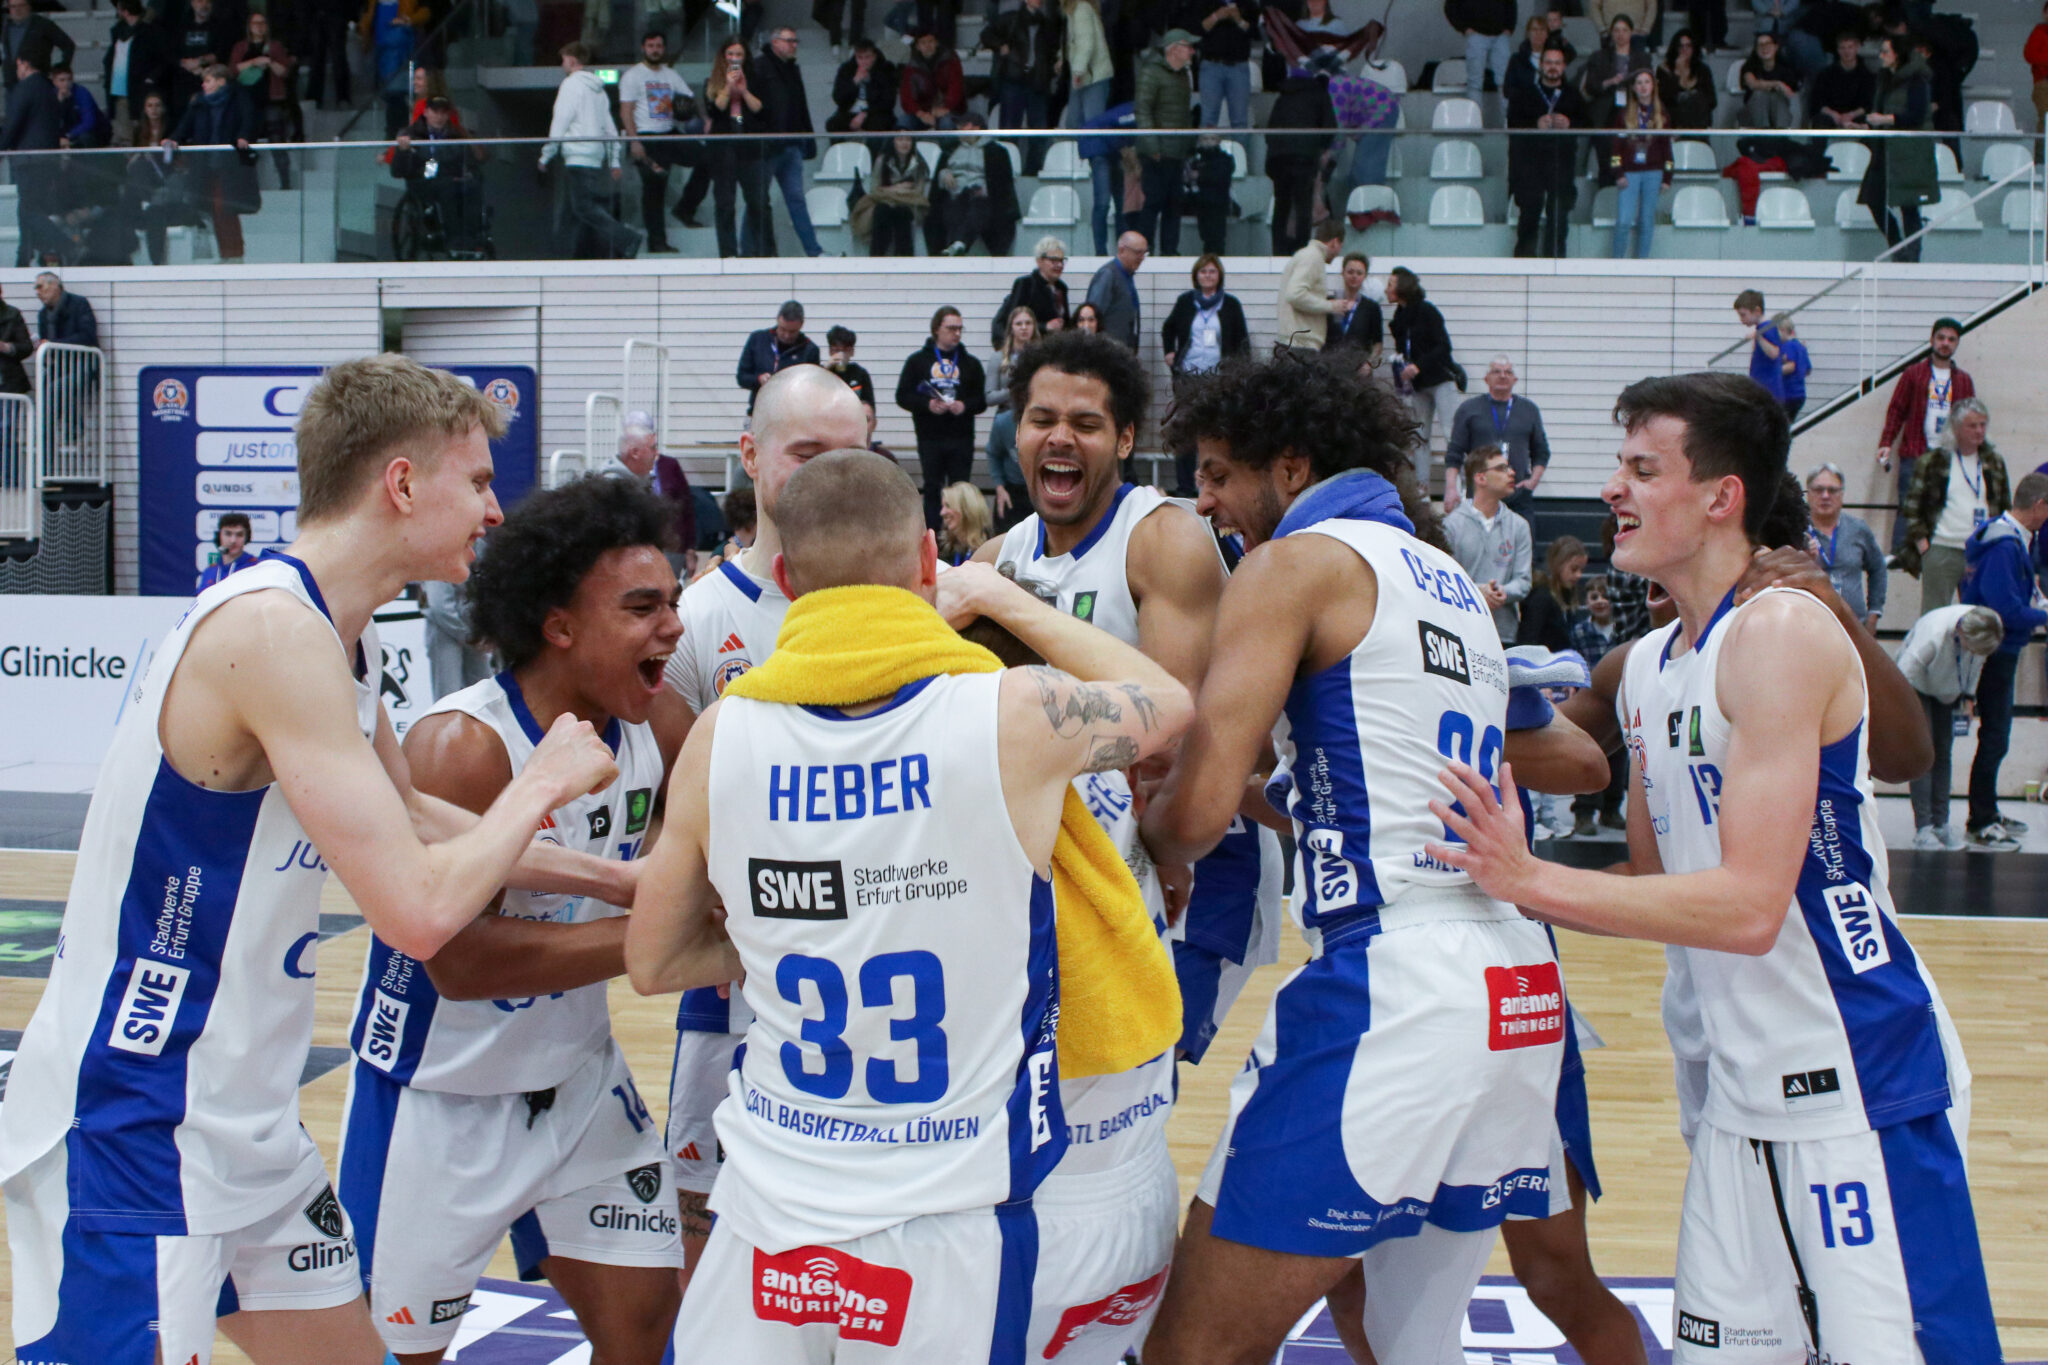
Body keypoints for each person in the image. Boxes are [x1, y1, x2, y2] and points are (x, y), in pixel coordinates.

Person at [0, 354, 626, 1365]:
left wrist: (622, 882)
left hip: (244, 1126)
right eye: (475, 481)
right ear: (401, 484)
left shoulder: (339, 635)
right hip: (138, 1123)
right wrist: (539, 782)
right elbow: (418, 915)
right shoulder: (271, 632)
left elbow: (415, 817)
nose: (495, 510)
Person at [1436, 369, 1996, 1365]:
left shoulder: (1779, 630)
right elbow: (1661, 897)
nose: (1611, 488)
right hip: (1739, 1091)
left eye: (1640, 468)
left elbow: (1744, 907)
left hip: (1855, 1082)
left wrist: (1523, 877)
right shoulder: (1649, 665)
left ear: (1720, 496)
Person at [628, 445, 1192, 1362]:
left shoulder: (723, 735)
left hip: (770, 1202)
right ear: (928, 561)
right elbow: (1167, 702)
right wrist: (1005, 598)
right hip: (950, 1218)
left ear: (783, 577)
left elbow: (650, 962)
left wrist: (790, 937)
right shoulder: (1010, 715)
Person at [1137, 349, 1563, 1364]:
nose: (1207, 504)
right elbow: (1370, 795)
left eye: (1216, 475)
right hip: (1513, 983)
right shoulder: (1449, 578)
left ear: (1288, 469)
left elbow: (1193, 817)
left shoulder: (1294, 564)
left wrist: (1138, 830)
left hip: (1391, 988)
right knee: (1398, 1339)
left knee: (1189, 1351)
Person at [337, 475, 705, 1365]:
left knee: (651, 1322)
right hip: (438, 1101)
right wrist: (659, 933)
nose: (673, 629)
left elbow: (685, 867)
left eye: (676, 601)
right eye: (644, 607)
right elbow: (459, 963)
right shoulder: (462, 747)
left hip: (581, 1087)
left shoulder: (659, 720)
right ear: (559, 626)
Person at [646, 366, 871, 1289]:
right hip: (733, 979)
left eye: (851, 457)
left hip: (874, 964)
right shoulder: (697, 619)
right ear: (750, 456)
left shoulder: (903, 607)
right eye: (806, 454)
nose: (827, 478)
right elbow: (669, 824)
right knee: (704, 1221)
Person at [1955, 471, 2048, 853]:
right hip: (1995, 653)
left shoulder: (1998, 534)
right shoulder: (2006, 547)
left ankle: (1988, 811)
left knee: (1995, 735)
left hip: (1995, 651)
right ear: (2039, 505)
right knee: (1994, 736)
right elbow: (2004, 609)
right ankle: (1980, 820)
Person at [1898, 603, 2001, 850]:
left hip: (1948, 689)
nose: (1975, 653)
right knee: (1924, 755)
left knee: (1943, 753)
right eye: (1971, 648)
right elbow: (1903, 674)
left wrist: (1968, 696)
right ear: (1962, 635)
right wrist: (1906, 714)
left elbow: (1977, 664)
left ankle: (1941, 824)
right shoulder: (1933, 635)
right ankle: (1923, 828)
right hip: (1916, 686)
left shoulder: (1988, 627)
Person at [1902, 397, 2007, 617]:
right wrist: (1924, 545)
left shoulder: (1994, 461)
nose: (1979, 431)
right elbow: (1911, 506)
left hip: (1981, 552)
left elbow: (2004, 506)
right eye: (1972, 425)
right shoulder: (1933, 461)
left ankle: (1973, 653)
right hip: (1942, 548)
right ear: (1956, 428)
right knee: (1935, 615)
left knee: (1980, 616)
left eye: (1982, 424)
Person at [539, 43, 643, 260]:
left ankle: (626, 238)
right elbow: (610, 129)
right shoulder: (599, 91)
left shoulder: (570, 86)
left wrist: (546, 155)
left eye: (564, 59)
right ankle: (569, 255)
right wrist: (614, 161)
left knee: (583, 208)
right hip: (594, 158)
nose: (562, 64)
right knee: (575, 210)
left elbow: (560, 122)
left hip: (577, 155)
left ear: (573, 60)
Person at [1879, 317, 1971, 550]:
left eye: (1951, 339)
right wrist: (1886, 442)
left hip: (1948, 455)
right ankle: (1899, 556)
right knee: (1909, 506)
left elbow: (1970, 420)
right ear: (1932, 340)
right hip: (1916, 451)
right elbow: (1897, 410)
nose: (1945, 343)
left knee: (1944, 507)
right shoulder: (1914, 374)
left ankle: (1936, 556)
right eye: (1941, 338)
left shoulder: (1963, 380)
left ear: (1957, 343)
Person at [896, 306, 987, 530]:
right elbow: (902, 395)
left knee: (960, 489)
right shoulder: (918, 361)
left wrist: (964, 405)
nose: (956, 333)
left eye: (960, 329)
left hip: (961, 437)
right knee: (932, 487)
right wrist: (927, 405)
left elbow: (982, 400)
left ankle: (962, 536)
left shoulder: (970, 363)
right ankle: (933, 536)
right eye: (951, 328)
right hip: (930, 437)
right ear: (937, 329)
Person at [165, 63, 260, 264]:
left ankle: (234, 253)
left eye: (208, 80)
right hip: (206, 163)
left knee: (225, 207)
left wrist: (243, 136)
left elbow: (248, 118)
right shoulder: (200, 102)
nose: (204, 85)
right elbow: (186, 124)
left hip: (230, 164)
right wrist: (174, 139)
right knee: (216, 209)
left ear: (221, 81)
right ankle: (228, 253)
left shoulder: (238, 97)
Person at [621, 31, 706, 255]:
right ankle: (657, 242)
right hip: (646, 138)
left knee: (708, 158)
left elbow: (688, 98)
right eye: (651, 46)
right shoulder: (633, 76)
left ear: (664, 49)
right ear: (643, 48)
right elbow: (626, 111)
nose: (655, 50)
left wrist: (701, 119)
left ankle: (685, 208)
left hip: (669, 133)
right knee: (654, 189)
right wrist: (634, 141)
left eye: (659, 45)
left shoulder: (670, 74)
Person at [1855, 33, 1935, 262]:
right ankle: (1898, 247)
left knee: (1909, 206)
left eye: (1885, 51)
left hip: (1908, 151)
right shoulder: (1884, 78)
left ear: (1897, 55)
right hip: (1884, 148)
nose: (1881, 56)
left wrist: (1886, 119)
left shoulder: (1917, 80)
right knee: (1873, 198)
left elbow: (1917, 114)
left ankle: (1911, 255)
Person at [1444, 444, 1534, 644]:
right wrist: (1478, 592)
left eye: (1509, 467)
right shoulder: (1451, 525)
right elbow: (1445, 579)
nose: (1512, 473)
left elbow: (1523, 581)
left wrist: (1503, 591)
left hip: (1502, 634)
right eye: (1502, 468)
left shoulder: (1519, 526)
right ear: (1481, 478)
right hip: (1460, 632)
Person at [1445, 353, 1550, 516]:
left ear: (1515, 380)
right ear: (1486, 379)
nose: (1502, 376)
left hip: (1518, 496)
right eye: (1496, 372)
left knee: (1523, 540)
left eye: (1508, 372)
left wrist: (1532, 482)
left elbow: (1541, 452)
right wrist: (1451, 488)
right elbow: (1454, 453)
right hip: (1480, 495)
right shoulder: (1469, 409)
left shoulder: (1529, 410)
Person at [754, 26, 826, 259]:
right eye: (789, 40)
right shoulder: (760, 67)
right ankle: (748, 250)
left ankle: (813, 251)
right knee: (757, 199)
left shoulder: (792, 69)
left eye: (795, 41)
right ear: (775, 43)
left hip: (792, 143)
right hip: (768, 145)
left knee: (796, 199)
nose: (794, 44)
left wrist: (808, 138)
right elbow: (751, 107)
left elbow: (800, 105)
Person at [1507, 46, 1586, 258]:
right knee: (1530, 211)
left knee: (1559, 215)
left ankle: (1556, 263)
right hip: (1531, 163)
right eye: (1549, 63)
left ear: (1564, 66)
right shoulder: (1525, 94)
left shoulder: (1573, 95)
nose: (1553, 67)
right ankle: (1524, 262)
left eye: (1557, 63)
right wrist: (1535, 124)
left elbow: (1587, 123)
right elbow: (1512, 123)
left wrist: (1570, 123)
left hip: (1561, 163)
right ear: (1541, 65)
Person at [1386, 266, 1461, 491]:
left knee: (1450, 432)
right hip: (1417, 386)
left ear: (1402, 288)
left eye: (1390, 284)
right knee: (1419, 436)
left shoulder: (1427, 311)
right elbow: (1404, 349)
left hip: (1439, 379)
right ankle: (1422, 488)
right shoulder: (1399, 316)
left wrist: (1419, 365)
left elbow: (1444, 347)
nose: (1386, 289)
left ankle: (1458, 487)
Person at [390, 95, 489, 252]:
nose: (439, 116)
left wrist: (467, 172)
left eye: (443, 112)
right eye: (435, 112)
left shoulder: (456, 134)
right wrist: (403, 151)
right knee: (446, 185)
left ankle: (473, 238)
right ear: (426, 112)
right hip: (422, 180)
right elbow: (398, 170)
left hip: (453, 176)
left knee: (473, 185)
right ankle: (454, 238)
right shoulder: (411, 133)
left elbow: (475, 160)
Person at [702, 36, 769, 258]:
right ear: (723, 56)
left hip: (749, 143)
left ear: (745, 57)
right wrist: (728, 88)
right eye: (730, 54)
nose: (734, 58)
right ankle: (728, 253)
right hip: (723, 146)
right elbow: (714, 110)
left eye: (738, 54)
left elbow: (760, 109)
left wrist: (744, 91)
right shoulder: (711, 81)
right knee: (725, 202)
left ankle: (765, 252)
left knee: (758, 201)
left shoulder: (756, 78)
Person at [1133, 30, 1197, 257]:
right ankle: (1144, 249)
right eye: (1188, 46)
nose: (1191, 51)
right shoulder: (1152, 72)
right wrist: (1152, 147)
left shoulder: (1182, 75)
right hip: (1157, 151)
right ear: (1174, 48)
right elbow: (1143, 110)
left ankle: (1170, 250)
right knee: (1154, 201)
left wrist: (1188, 145)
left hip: (1176, 151)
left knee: (1174, 203)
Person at [1263, 57, 1335, 257]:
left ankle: (1278, 250)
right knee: (1303, 204)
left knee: (1282, 203)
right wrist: (1322, 148)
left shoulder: (1283, 96)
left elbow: (1270, 130)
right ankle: (1300, 250)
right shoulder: (1319, 94)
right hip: (1304, 157)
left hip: (1278, 158)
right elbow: (1330, 127)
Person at [985, 0, 1063, 174]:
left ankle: (1032, 172)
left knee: (1038, 133)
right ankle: (1006, 172)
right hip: (1014, 80)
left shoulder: (1046, 23)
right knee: (1009, 130)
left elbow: (1051, 50)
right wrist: (1000, 46)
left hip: (1036, 81)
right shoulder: (1011, 18)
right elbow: (987, 35)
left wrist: (1052, 67)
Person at [0, 48, 62, 267]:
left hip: (28, 161)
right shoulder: (49, 89)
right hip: (46, 160)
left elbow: (12, 125)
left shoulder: (25, 89)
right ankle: (23, 259)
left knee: (29, 212)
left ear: (24, 64)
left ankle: (66, 244)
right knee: (30, 210)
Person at [1804, 464, 1884, 632]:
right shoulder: (1797, 530)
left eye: (1832, 490)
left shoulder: (1858, 529)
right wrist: (1803, 557)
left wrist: (1874, 614)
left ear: (1842, 495)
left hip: (1854, 626)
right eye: (1819, 490)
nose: (1825, 496)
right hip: (1809, 625)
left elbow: (1878, 568)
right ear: (1808, 495)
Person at [928, 111, 1020, 256]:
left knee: (979, 205)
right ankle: (958, 244)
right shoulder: (950, 149)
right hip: (955, 194)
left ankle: (958, 243)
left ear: (976, 128)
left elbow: (1002, 184)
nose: (958, 128)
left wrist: (986, 190)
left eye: (962, 125)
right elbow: (938, 177)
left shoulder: (997, 152)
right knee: (954, 206)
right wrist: (944, 174)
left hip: (981, 196)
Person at [1608, 67, 1670, 259]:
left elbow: (1667, 149)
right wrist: (1618, 172)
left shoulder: (1662, 114)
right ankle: (1617, 263)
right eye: (1639, 83)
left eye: (1647, 82)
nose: (1643, 87)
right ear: (1633, 88)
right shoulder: (1624, 115)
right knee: (1624, 220)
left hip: (1654, 172)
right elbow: (1615, 147)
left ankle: (1642, 264)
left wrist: (1667, 176)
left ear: (1653, 86)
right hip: (1629, 172)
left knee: (1646, 221)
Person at [736, 300, 821, 416]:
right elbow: (742, 377)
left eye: (792, 332)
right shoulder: (758, 339)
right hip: (759, 413)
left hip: (793, 416)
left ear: (801, 325)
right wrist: (758, 379)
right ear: (777, 319)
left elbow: (812, 389)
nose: (786, 336)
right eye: (782, 329)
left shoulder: (810, 349)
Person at [1274, 217, 1345, 352]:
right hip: (1300, 346)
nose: (1339, 253)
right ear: (1335, 242)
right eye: (1341, 246)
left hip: (1294, 343)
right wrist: (1331, 306)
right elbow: (1295, 295)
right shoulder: (1313, 257)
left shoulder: (1306, 255)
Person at [105, 0, 173, 133]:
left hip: (143, 89)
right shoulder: (118, 31)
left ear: (125, 11)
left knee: (143, 129)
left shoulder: (151, 31)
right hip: (121, 89)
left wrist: (151, 78)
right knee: (124, 131)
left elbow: (165, 58)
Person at [992, 237, 1071, 347]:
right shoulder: (1026, 285)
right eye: (1054, 260)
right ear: (1039, 261)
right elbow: (1013, 322)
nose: (1059, 265)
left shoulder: (1062, 288)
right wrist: (1045, 327)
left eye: (1062, 261)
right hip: (1030, 350)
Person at [862, 131, 928, 255]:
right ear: (893, 142)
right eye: (900, 139)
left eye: (908, 140)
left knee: (902, 212)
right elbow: (875, 190)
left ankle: (904, 259)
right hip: (885, 202)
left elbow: (918, 192)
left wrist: (888, 190)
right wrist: (898, 188)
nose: (905, 143)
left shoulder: (919, 163)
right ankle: (876, 258)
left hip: (909, 204)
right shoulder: (882, 161)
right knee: (882, 211)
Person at [1086, 230, 1146, 351]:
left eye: (1144, 253)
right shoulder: (1108, 275)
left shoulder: (1127, 276)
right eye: (1138, 253)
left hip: (1121, 351)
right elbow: (1092, 315)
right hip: (1106, 351)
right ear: (1121, 250)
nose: (1142, 258)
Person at [1447, 0, 1515, 105]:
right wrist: (1464, 28)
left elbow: (1511, 3)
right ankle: (1475, 120)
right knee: (1475, 83)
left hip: (1500, 36)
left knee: (1505, 81)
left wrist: (1509, 27)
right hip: (1476, 35)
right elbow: (1450, 6)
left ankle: (1508, 120)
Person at [0, 0, 73, 98]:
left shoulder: (43, 25)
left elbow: (68, 45)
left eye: (21, 5)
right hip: (11, 84)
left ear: (29, 6)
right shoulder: (5, 27)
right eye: (13, 6)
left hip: (37, 84)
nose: (17, 10)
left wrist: (61, 67)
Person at [827, 38, 897, 136]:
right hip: (849, 112)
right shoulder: (846, 69)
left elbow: (888, 101)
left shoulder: (886, 69)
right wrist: (854, 81)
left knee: (879, 124)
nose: (863, 61)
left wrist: (864, 114)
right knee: (833, 124)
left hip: (876, 112)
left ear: (874, 56)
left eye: (867, 57)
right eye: (860, 57)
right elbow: (838, 98)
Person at [898, 28, 963, 130]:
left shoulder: (950, 60)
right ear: (918, 47)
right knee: (904, 122)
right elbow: (907, 96)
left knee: (947, 123)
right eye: (923, 43)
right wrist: (920, 113)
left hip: (949, 110)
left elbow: (956, 87)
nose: (928, 46)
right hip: (922, 112)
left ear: (936, 43)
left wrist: (946, 108)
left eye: (930, 41)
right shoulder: (911, 67)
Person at [1809, 27, 1873, 128]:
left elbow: (1868, 104)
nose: (1846, 51)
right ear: (1838, 50)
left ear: (1857, 48)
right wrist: (1834, 115)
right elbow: (1818, 101)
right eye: (1842, 48)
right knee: (1820, 122)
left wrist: (1850, 115)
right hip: (1831, 116)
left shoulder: (1866, 75)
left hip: (1855, 116)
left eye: (1850, 47)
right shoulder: (1826, 74)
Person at [1325, 251, 1382, 362]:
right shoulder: (1328, 302)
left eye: (1359, 273)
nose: (1354, 276)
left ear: (1365, 276)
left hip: (1359, 368)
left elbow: (1378, 344)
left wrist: (1369, 364)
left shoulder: (1371, 308)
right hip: (1329, 366)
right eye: (1350, 272)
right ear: (1342, 273)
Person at [1732, 288, 1785, 408]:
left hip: (1770, 391)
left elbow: (1774, 353)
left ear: (1757, 311)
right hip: (1762, 390)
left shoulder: (1767, 327)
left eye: (1743, 315)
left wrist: (1759, 337)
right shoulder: (1761, 328)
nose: (1741, 319)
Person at [1064, 0, 1113, 128]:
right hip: (1090, 74)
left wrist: (1078, 71)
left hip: (1091, 76)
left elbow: (1086, 43)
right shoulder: (1082, 8)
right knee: (1082, 124)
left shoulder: (1081, 9)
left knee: (1089, 125)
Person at [1738, 29, 1798, 128]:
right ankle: (1763, 132)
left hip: (1779, 111)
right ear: (1756, 49)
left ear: (1776, 47)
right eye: (1760, 45)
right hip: (1753, 112)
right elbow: (1752, 84)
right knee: (1759, 94)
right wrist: (1777, 84)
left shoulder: (1786, 68)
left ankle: (1780, 133)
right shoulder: (1749, 66)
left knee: (1778, 97)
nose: (1764, 48)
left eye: (1768, 44)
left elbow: (1790, 92)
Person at [1658, 27, 1716, 127]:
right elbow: (1664, 99)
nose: (1684, 50)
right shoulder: (1664, 70)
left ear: (1694, 48)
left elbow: (1712, 100)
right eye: (1681, 46)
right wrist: (1677, 75)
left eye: (1688, 46)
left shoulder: (1703, 70)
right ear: (1675, 48)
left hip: (1698, 120)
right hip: (1674, 121)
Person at [197, 510, 261, 589]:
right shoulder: (210, 571)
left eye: (239, 535)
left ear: (247, 537)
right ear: (219, 536)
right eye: (228, 534)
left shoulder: (256, 568)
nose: (233, 540)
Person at [823, 325, 877, 414]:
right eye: (836, 350)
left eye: (845, 350)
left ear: (852, 351)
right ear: (830, 351)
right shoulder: (823, 372)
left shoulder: (860, 374)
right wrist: (825, 368)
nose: (840, 354)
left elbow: (870, 406)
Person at [51, 64, 108, 148]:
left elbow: (89, 121)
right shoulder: (50, 95)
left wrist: (69, 136)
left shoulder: (81, 93)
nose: (66, 83)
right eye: (62, 80)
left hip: (89, 133)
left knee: (85, 137)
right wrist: (59, 103)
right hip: (65, 133)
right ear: (54, 81)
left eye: (69, 80)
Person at [938, 479, 991, 563]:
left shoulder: (991, 551)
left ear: (966, 510)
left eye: (948, 506)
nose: (942, 512)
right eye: (942, 506)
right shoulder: (944, 549)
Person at [1777, 315, 1811, 420]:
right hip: (1799, 394)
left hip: (1788, 394)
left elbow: (1791, 366)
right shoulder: (1801, 347)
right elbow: (1807, 370)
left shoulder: (1788, 345)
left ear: (1782, 330)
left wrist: (1772, 372)